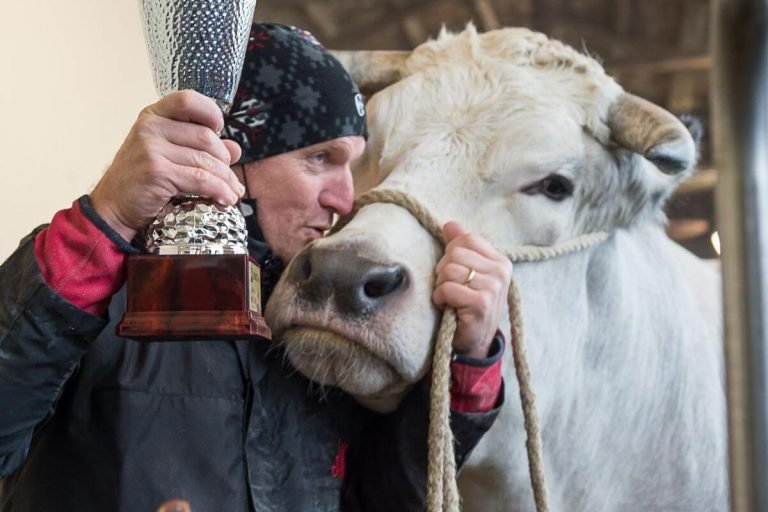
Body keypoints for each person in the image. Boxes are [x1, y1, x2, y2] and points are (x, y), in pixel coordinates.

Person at [0, 23, 511, 511]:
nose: (345, 199)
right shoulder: (91, 281)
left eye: (351, 167)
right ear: (229, 156)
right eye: (320, 158)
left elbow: (379, 503)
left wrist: (468, 361)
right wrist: (108, 217)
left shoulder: (315, 315)